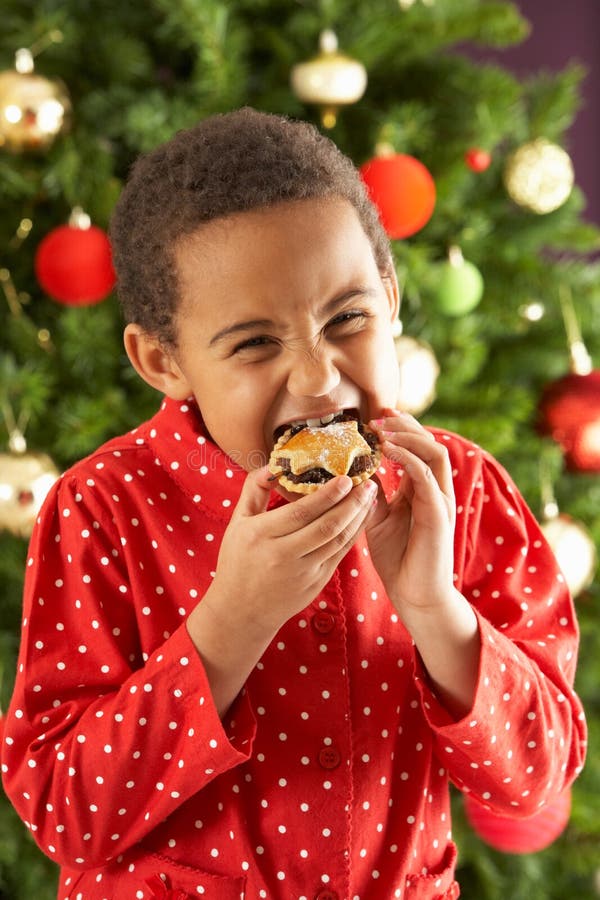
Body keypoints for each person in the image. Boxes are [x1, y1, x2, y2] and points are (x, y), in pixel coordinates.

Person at [1, 108, 586, 900]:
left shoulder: (464, 491)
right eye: (253, 343)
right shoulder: (102, 511)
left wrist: (435, 610)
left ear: (390, 296)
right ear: (162, 360)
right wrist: (231, 620)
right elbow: (65, 813)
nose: (317, 378)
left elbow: (536, 780)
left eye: (347, 318)